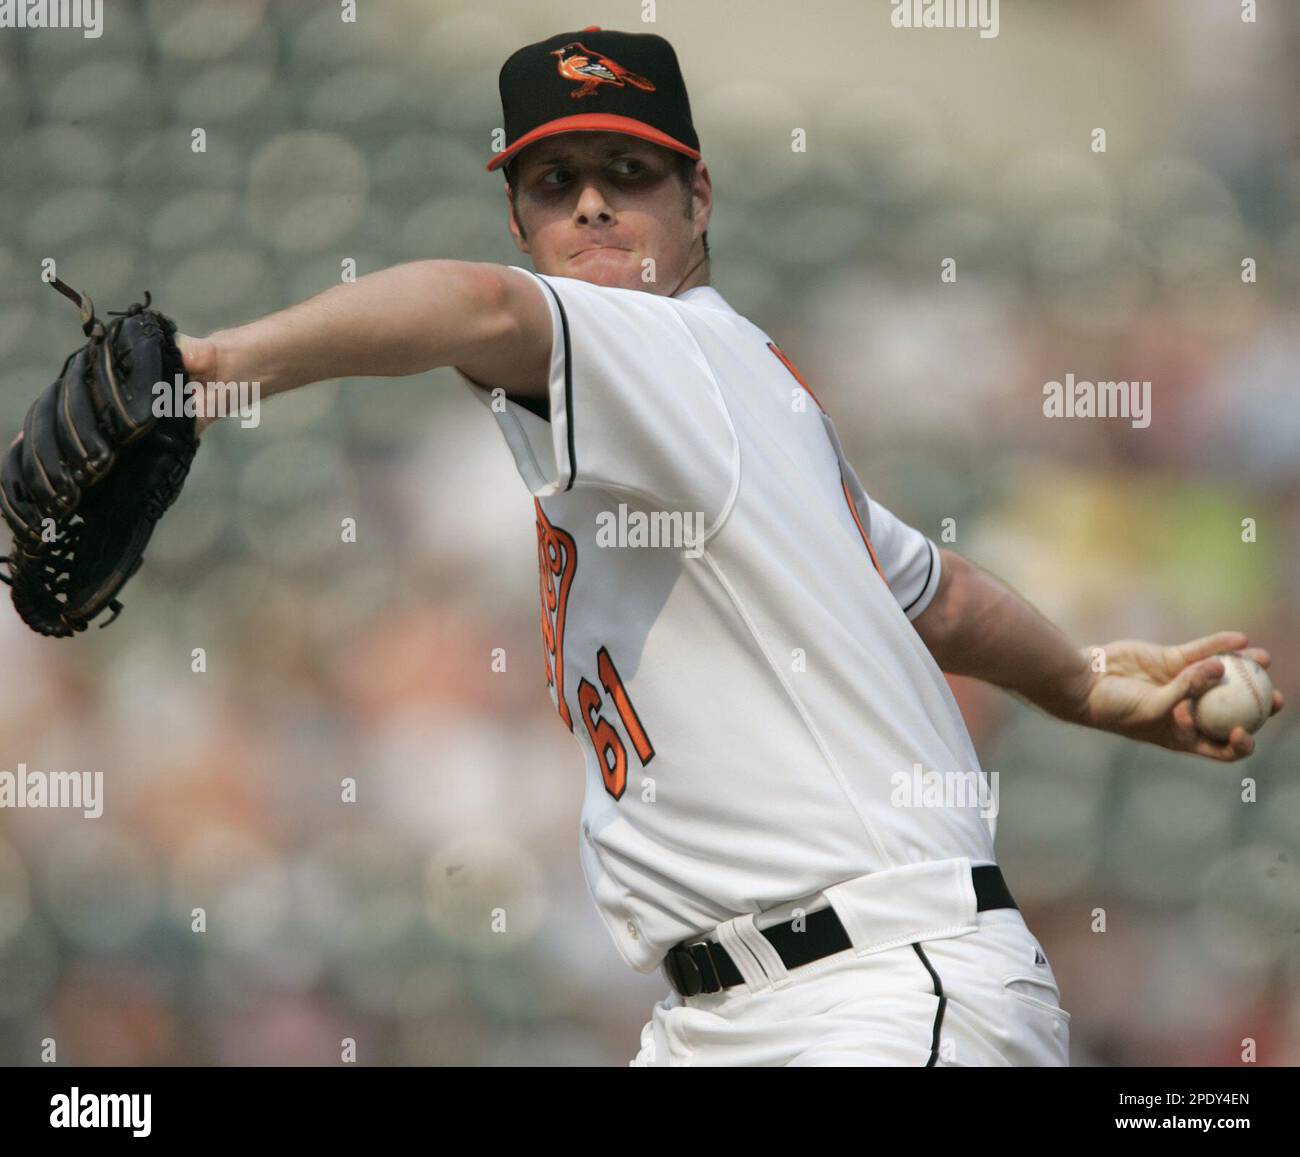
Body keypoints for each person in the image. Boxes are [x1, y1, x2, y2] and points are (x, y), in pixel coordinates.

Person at [177, 27, 1282, 1066]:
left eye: (630, 171)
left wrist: (216, 370)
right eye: (555, 183)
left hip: (873, 995)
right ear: (519, 218)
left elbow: (471, 308)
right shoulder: (719, 398)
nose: (595, 205)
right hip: (723, 1016)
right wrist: (1081, 684)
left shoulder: (664, 342)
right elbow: (931, 589)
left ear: (698, 196)